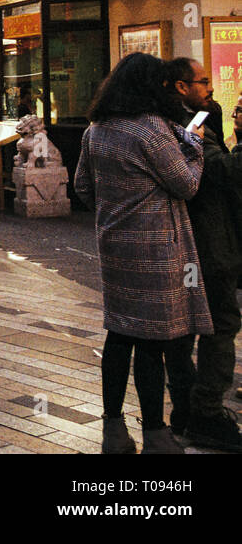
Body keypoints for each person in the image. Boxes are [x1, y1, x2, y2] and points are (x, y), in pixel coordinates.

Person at [73, 53, 211, 455]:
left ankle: (113, 431)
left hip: (115, 248)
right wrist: (196, 149)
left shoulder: (96, 130)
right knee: (152, 341)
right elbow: (185, 184)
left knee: (119, 334)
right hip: (157, 249)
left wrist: (117, 207)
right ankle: (155, 433)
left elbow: (83, 187)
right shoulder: (151, 130)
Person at [167, 57, 242, 451]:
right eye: (203, 81)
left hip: (185, 245)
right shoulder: (189, 126)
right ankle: (206, 413)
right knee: (219, 322)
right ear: (182, 87)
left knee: (182, 329)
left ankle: (185, 408)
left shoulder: (175, 121)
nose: (210, 87)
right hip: (206, 245)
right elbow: (222, 174)